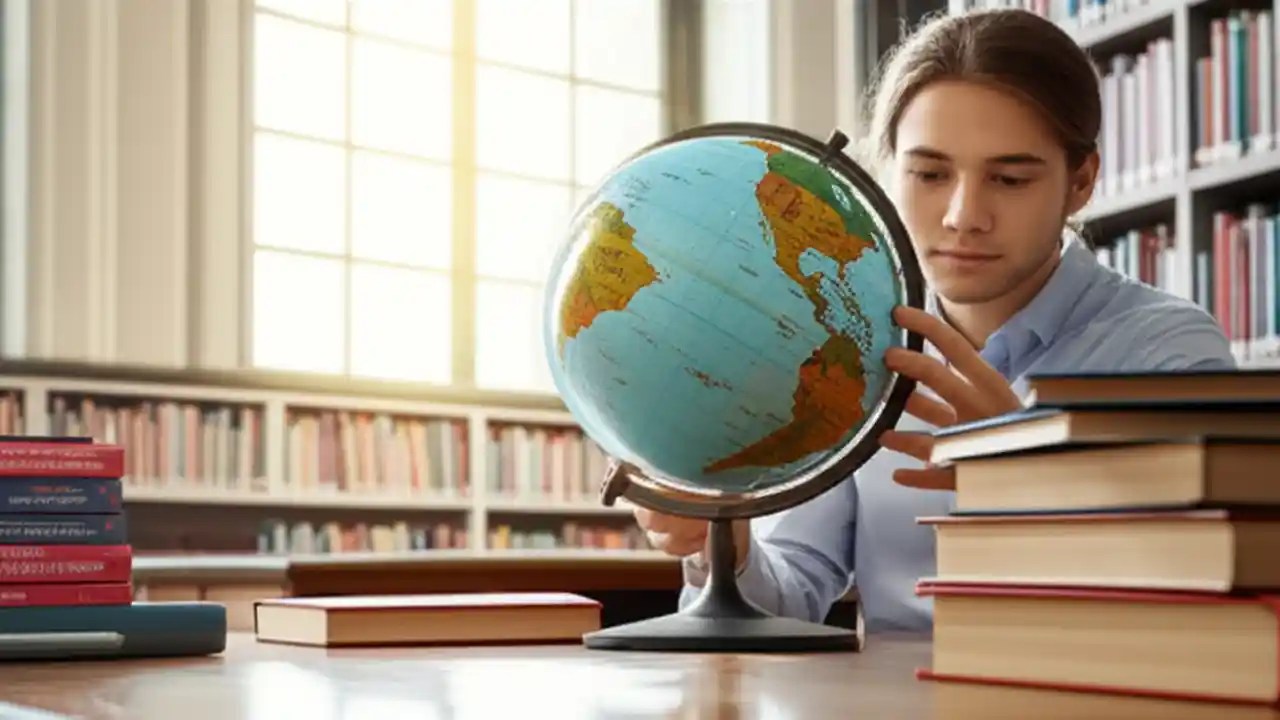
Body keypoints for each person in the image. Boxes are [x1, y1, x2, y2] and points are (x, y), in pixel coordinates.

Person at [628, 8, 1236, 632]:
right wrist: (723, 546)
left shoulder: (1170, 354)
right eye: (929, 174)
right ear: (889, 168)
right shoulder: (848, 349)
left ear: (1081, 182)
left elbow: (1204, 608)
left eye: (1009, 178)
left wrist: (1033, 486)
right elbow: (791, 591)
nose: (963, 215)